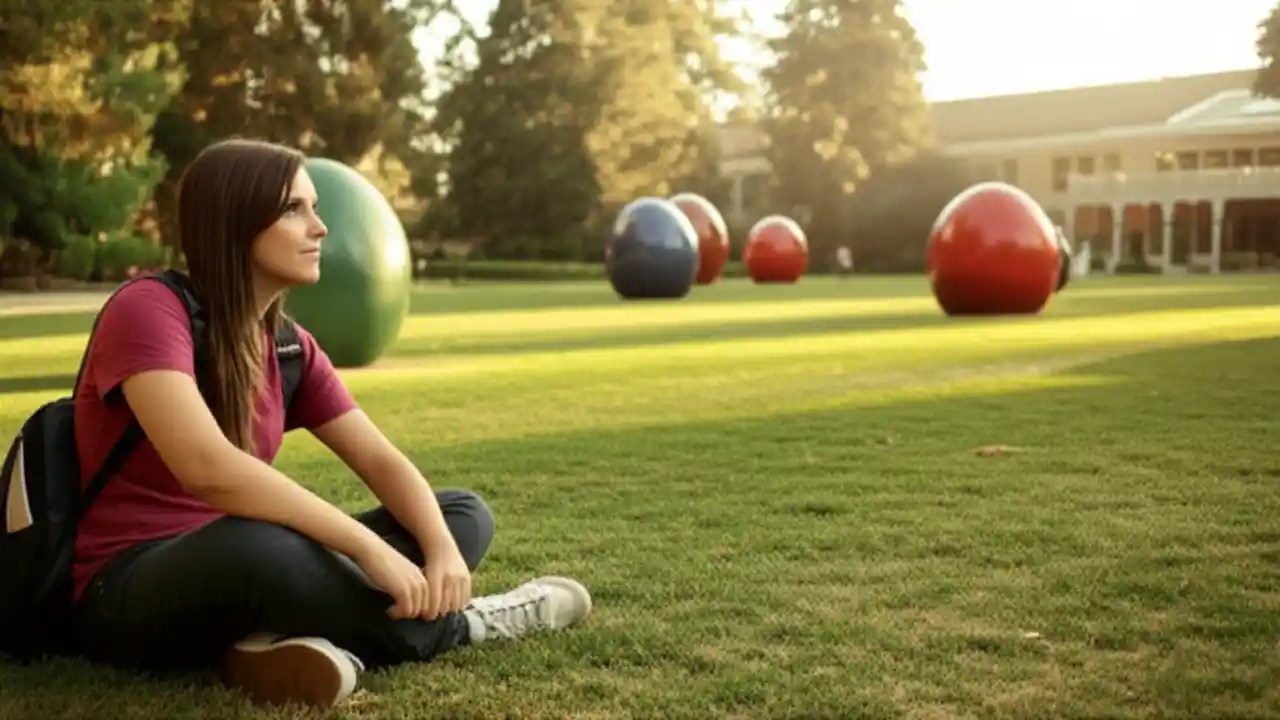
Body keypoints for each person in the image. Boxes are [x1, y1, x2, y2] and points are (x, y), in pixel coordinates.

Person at [70, 138, 593, 709]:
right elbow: (207, 468)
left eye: (315, 208)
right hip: (124, 586)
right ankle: (471, 625)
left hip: (239, 569)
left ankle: (255, 646)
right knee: (261, 545)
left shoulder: (290, 348)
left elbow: (382, 461)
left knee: (460, 514)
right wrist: (367, 549)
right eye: (295, 209)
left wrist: (439, 548)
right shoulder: (149, 310)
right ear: (236, 221)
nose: (320, 228)